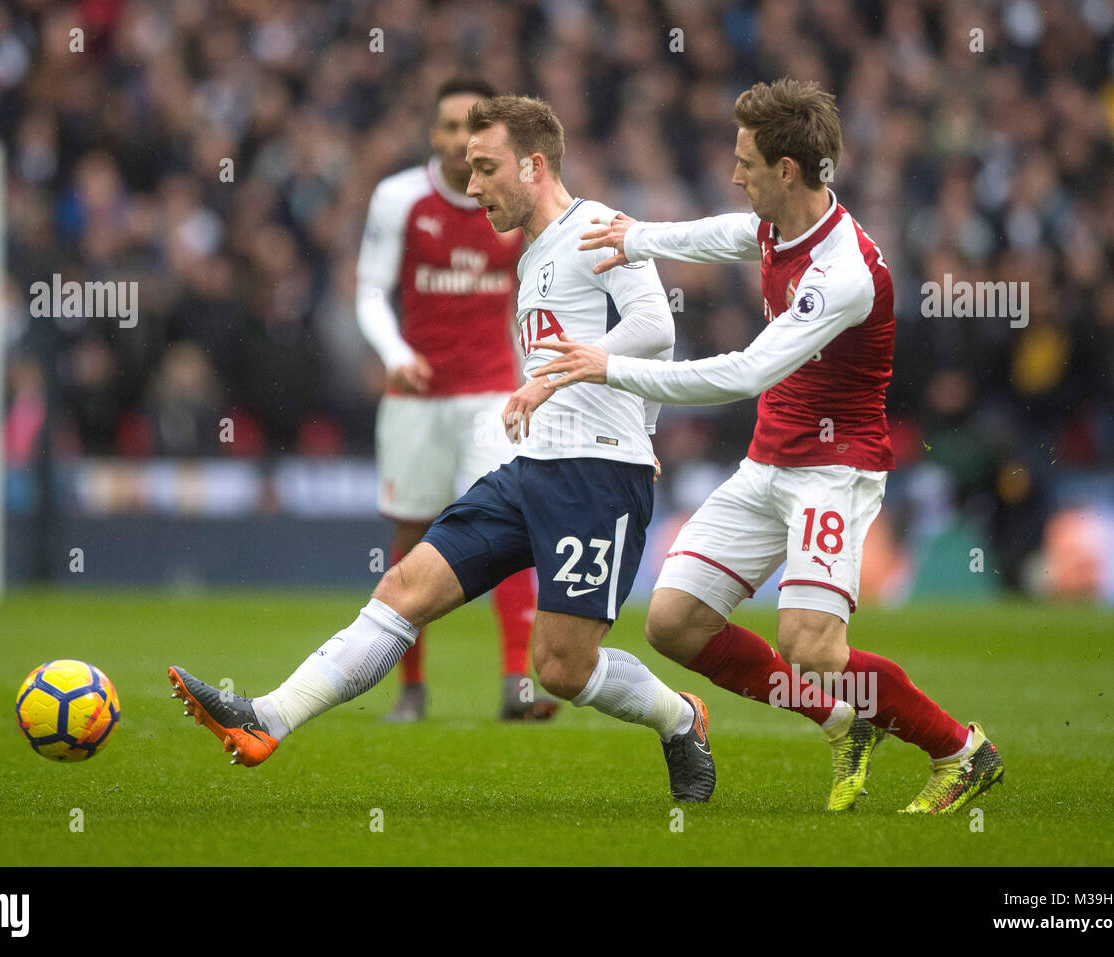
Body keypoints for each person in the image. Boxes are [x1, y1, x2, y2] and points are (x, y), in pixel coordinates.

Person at [169, 94, 716, 803]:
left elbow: (653, 327)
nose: (474, 184)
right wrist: (618, 408)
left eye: (486, 168)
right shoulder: (531, 255)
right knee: (403, 587)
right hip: (532, 470)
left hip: (597, 478)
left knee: (560, 668)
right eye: (466, 169)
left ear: (535, 164)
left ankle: (680, 718)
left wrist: (583, 398)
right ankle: (266, 717)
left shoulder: (601, 227)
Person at [532, 78, 1004, 815]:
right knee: (673, 622)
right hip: (769, 461)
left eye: (745, 160)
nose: (734, 171)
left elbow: (748, 370)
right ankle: (841, 721)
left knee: (812, 647)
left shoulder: (843, 272)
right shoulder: (778, 227)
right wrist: (639, 236)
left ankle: (960, 748)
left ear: (788, 170)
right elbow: (721, 232)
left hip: (834, 470)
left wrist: (611, 366)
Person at [355, 77, 549, 723]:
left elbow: (535, 297)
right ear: (432, 135)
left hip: (491, 394)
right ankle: (410, 688)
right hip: (416, 395)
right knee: (412, 534)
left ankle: (517, 683)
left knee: (510, 526)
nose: (460, 141)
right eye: (449, 127)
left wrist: (533, 378)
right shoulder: (399, 198)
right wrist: (394, 354)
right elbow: (369, 292)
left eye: (474, 130)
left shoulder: (517, 202)